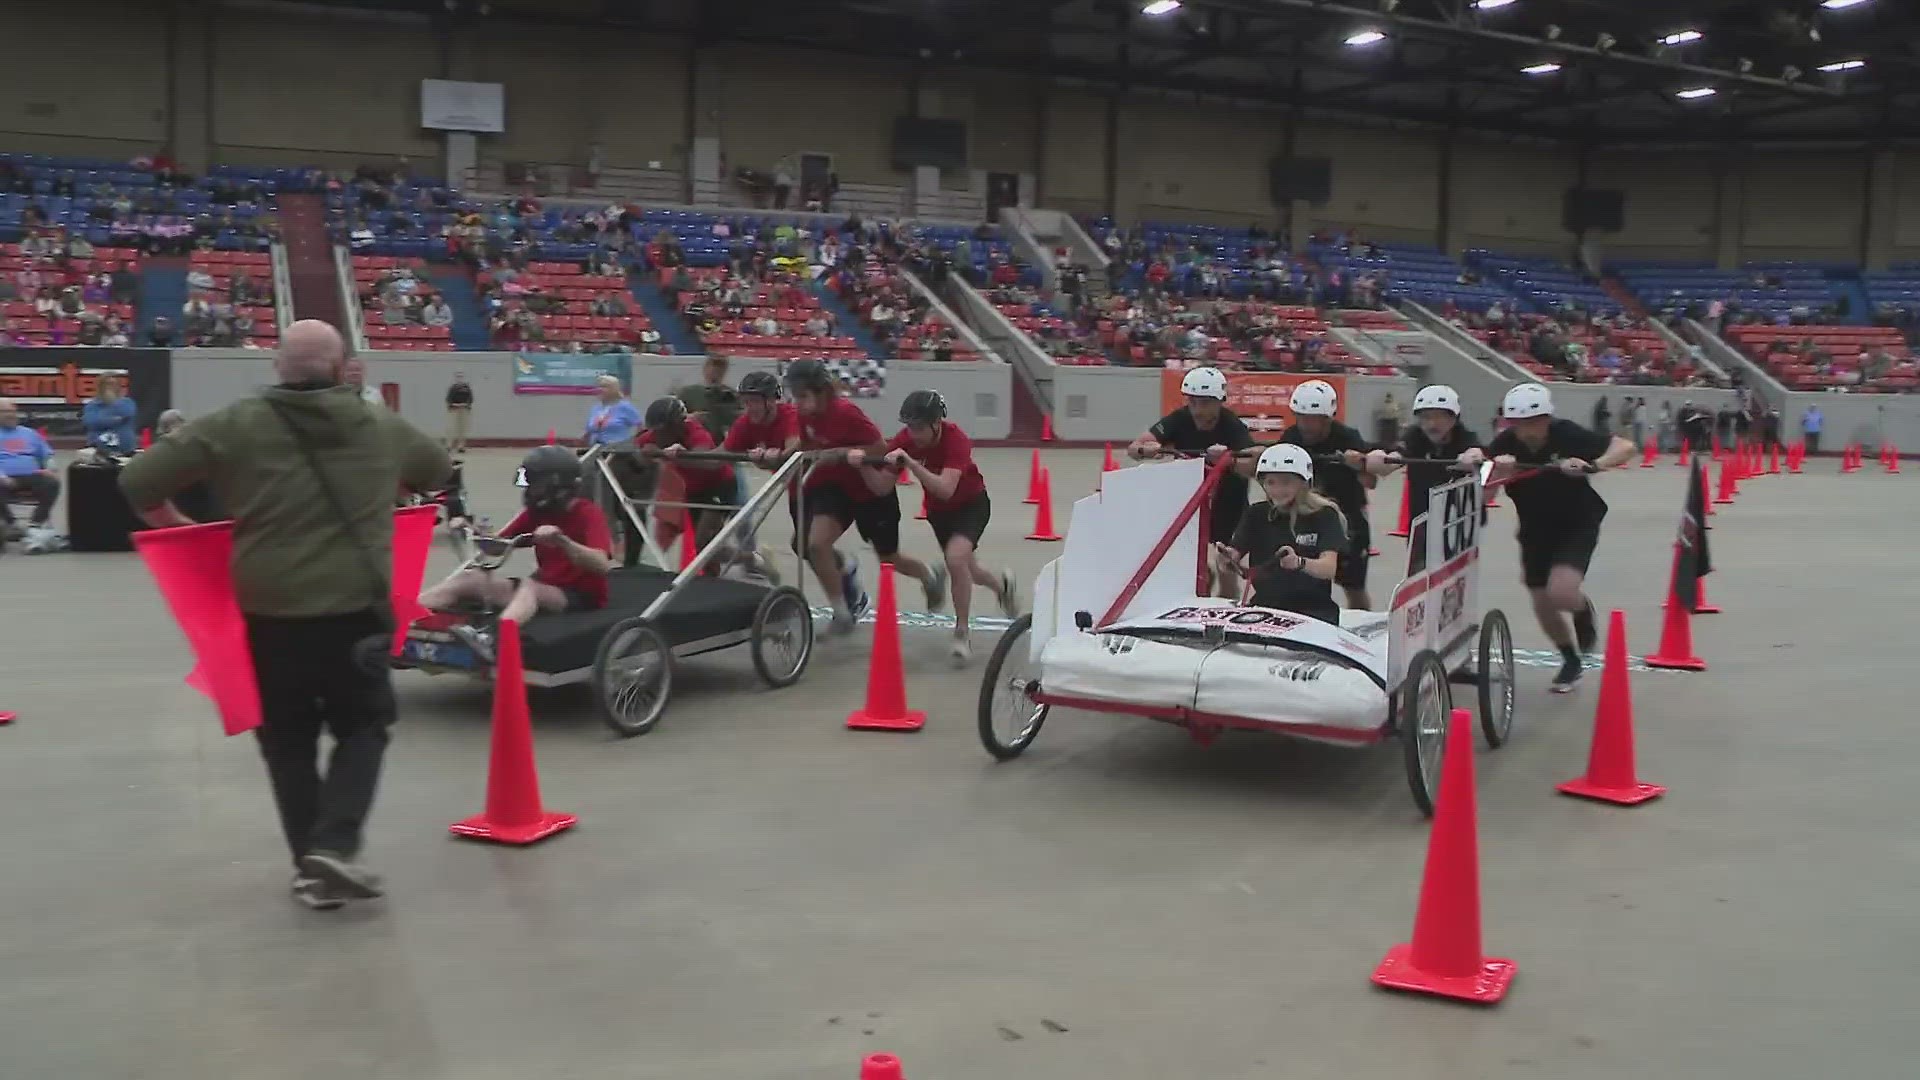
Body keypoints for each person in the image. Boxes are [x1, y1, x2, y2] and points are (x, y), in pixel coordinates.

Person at [118, 320, 452, 910]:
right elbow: (436, 472)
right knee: (364, 727)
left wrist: (184, 531)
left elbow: (137, 480)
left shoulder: (234, 424)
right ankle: (336, 841)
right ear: (341, 365)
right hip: (357, 612)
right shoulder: (378, 425)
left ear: (278, 365)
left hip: (270, 615)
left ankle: (311, 868)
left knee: (287, 740)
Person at [1486, 383, 1636, 694]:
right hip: (1534, 528)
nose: (1527, 431)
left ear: (1547, 418)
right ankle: (1570, 660)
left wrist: (1592, 465)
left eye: (1534, 422)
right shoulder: (1503, 444)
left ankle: (1582, 611)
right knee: (1541, 599)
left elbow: (1625, 447)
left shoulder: (1567, 434)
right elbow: (1485, 492)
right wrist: (1499, 473)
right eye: (1518, 423)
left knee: (1562, 591)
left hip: (1576, 522)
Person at [781, 358, 931, 635]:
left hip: (870, 492)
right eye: (794, 395)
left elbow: (879, 448)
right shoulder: (805, 416)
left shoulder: (847, 413)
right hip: (838, 492)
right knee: (814, 545)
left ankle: (927, 575)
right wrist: (785, 457)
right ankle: (842, 611)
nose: (797, 402)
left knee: (889, 558)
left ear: (822, 391)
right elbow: (807, 442)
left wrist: (842, 453)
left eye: (803, 395)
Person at [418, 445, 612, 658]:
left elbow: (602, 565)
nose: (529, 491)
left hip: (580, 595)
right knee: (470, 579)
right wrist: (469, 529)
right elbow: (498, 547)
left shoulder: (588, 514)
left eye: (534, 485)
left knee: (532, 587)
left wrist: (563, 542)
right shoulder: (537, 512)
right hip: (545, 587)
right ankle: (401, 616)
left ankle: (490, 638)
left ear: (557, 486)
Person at [882, 389, 1019, 664]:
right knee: (969, 569)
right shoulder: (906, 440)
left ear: (937, 423)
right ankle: (1001, 587)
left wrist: (908, 463)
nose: (913, 433)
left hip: (971, 505)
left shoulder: (957, 440)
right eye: (909, 427)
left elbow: (945, 488)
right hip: (939, 513)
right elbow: (883, 477)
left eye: (920, 427)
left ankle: (962, 631)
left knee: (956, 559)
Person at [1126, 366, 1256, 598]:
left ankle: (1226, 619)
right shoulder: (1180, 418)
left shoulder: (1231, 425)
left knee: (1225, 570)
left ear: (1219, 402)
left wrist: (1229, 458)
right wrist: (1148, 448)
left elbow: (1253, 463)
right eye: (1193, 401)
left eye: (1205, 403)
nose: (1197, 409)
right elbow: (1135, 448)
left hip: (1229, 506)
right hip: (1193, 505)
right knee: (1199, 572)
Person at [1213, 444, 1346, 626]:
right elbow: (1235, 555)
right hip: (1267, 609)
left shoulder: (1324, 515)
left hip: (1314, 611)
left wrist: (1300, 563)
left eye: (1286, 482)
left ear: (1304, 482)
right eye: (1270, 482)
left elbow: (1329, 568)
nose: (1277, 490)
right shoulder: (1256, 513)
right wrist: (1226, 558)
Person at [1278, 379, 1380, 612]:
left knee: (1353, 586)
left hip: (1349, 519)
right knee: (1302, 581)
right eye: (1301, 417)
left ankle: (1362, 633)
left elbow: (1371, 482)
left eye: (1312, 419)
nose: (1305, 424)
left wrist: (1360, 465)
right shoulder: (1291, 438)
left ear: (1328, 418)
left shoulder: (1348, 437)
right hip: (1307, 518)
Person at [634, 395, 735, 564]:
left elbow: (707, 461)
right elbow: (634, 449)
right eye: (656, 432)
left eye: (664, 431)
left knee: (704, 544)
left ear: (678, 426)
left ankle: (752, 560)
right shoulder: (655, 435)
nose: (659, 437)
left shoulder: (695, 431)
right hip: (694, 490)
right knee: (705, 550)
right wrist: (645, 455)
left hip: (720, 486)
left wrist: (680, 456)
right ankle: (716, 579)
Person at [1373, 384, 1484, 520]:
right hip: (1422, 517)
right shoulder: (1414, 435)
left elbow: (1475, 452)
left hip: (1459, 520)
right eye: (1425, 417)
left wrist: (1471, 458)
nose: (1432, 424)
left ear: (1453, 418)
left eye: (1439, 417)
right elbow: (1395, 457)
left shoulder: (1464, 436)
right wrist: (1380, 460)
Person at [584, 374, 645, 562]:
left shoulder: (625, 407)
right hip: (596, 453)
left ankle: (618, 543)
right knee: (593, 498)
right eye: (599, 387)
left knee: (610, 500)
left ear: (614, 388)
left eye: (604, 386)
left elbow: (640, 427)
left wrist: (631, 444)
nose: (600, 390)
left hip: (617, 456)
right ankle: (601, 540)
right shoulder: (597, 408)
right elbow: (590, 429)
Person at [0, 398, 60, 539]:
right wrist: (2, 477)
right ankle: (11, 524)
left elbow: (47, 455)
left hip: (31, 475)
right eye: (6, 412)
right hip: (4, 477)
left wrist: (50, 468)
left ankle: (35, 524)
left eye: (13, 411)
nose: (11, 415)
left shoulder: (30, 433)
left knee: (52, 483)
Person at [81, 375, 138, 453]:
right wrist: (114, 419)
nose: (110, 387)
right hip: (99, 449)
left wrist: (112, 402)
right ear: (101, 387)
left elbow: (127, 413)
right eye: (107, 384)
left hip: (125, 449)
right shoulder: (92, 405)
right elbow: (90, 422)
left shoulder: (127, 402)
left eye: (114, 384)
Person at [445, 370, 473, 454]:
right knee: (451, 428)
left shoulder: (467, 388)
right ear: (455, 377)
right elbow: (448, 399)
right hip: (454, 409)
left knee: (463, 428)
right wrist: (454, 405)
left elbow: (471, 399)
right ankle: (449, 446)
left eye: (461, 376)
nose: (459, 378)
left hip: (464, 409)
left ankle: (461, 446)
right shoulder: (452, 387)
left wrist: (465, 404)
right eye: (458, 376)